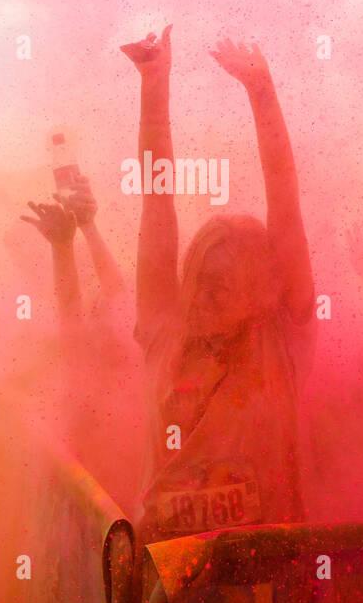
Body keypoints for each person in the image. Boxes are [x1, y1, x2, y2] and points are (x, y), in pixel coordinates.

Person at [125, 27, 316, 556]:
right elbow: (156, 205)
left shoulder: (283, 342)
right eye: (202, 279)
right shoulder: (166, 331)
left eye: (225, 286)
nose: (204, 296)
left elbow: (287, 210)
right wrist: (154, 87)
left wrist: (261, 92)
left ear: (261, 291)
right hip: (164, 581)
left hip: (271, 580)